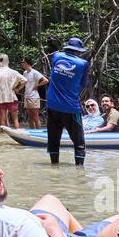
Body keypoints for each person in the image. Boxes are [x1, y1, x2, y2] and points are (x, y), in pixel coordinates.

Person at [46, 38, 89, 166]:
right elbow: (83, 84)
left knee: (53, 140)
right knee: (79, 143)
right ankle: (80, 171)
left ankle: (54, 166)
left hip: (52, 106)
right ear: (79, 51)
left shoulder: (56, 56)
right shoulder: (83, 64)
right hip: (71, 108)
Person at [0, 54, 25, 129]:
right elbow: (24, 80)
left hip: (1, 99)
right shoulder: (13, 72)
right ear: (8, 61)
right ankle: (18, 137)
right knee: (15, 120)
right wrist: (18, 88)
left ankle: (3, 136)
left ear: (1, 62)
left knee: (2, 121)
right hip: (12, 97)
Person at [20, 60, 47, 129]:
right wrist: (17, 89)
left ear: (28, 64)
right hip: (27, 96)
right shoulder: (25, 73)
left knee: (35, 117)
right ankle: (32, 132)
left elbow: (45, 80)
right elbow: (23, 83)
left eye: (24, 63)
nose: (22, 65)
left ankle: (39, 133)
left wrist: (37, 85)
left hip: (34, 97)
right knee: (30, 117)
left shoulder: (34, 72)